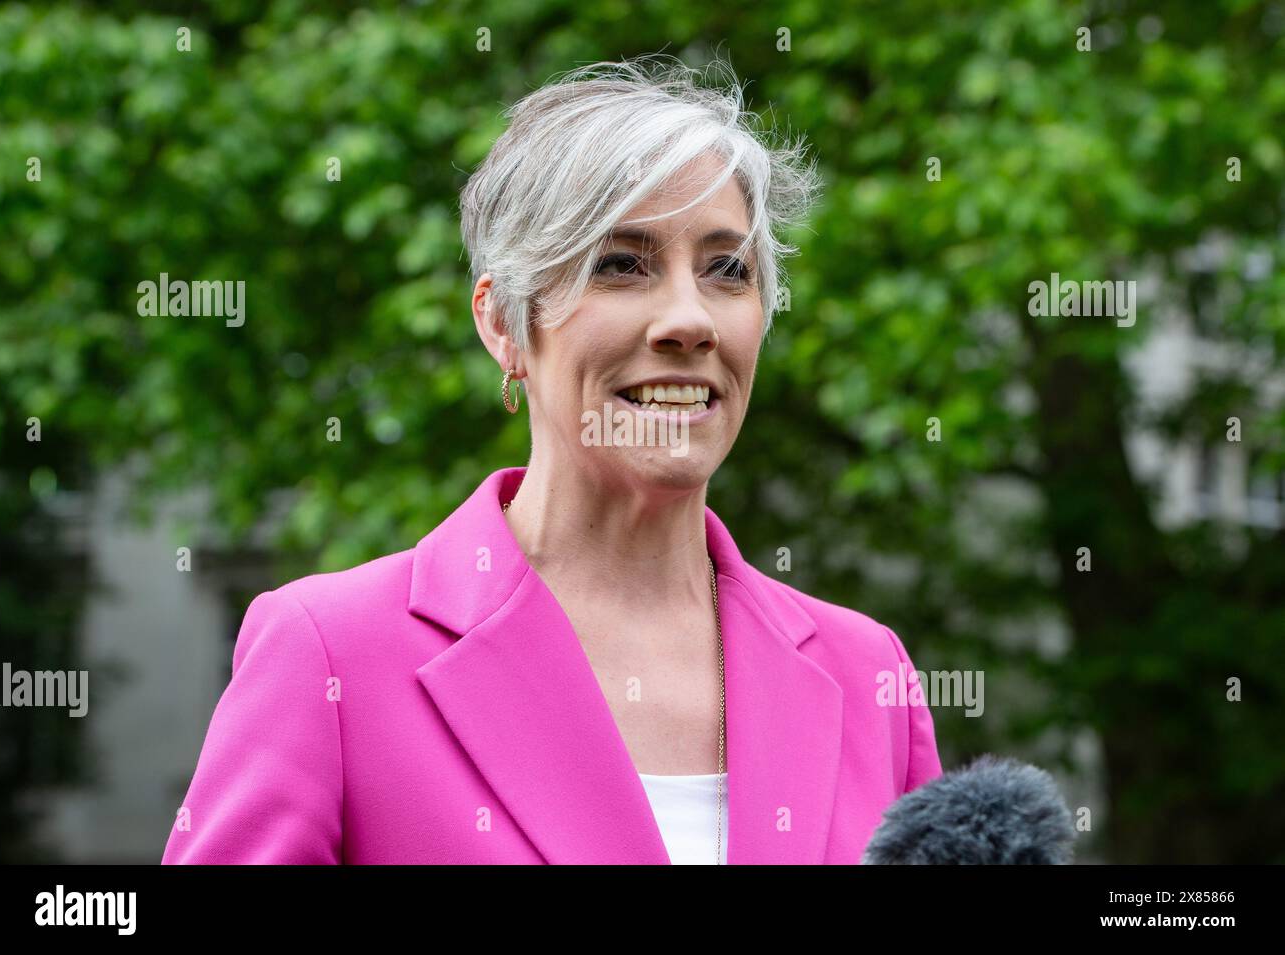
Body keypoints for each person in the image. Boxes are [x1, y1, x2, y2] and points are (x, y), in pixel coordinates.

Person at [162, 55, 943, 866]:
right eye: (621, 263)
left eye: (726, 269)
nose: (689, 319)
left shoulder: (868, 672)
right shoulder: (330, 655)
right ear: (504, 323)